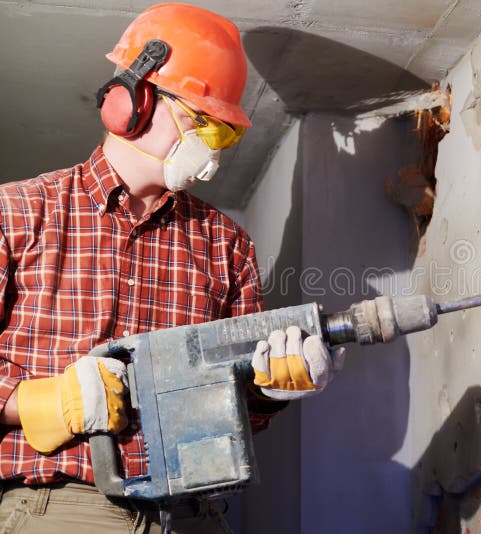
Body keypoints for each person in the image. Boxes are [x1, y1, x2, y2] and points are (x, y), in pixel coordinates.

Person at [0, 4, 343, 532]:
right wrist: (44, 401)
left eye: (226, 134)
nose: (212, 148)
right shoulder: (19, 212)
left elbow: (240, 413)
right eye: (203, 122)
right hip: (65, 507)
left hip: (197, 515)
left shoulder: (226, 245)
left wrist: (272, 390)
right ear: (131, 103)